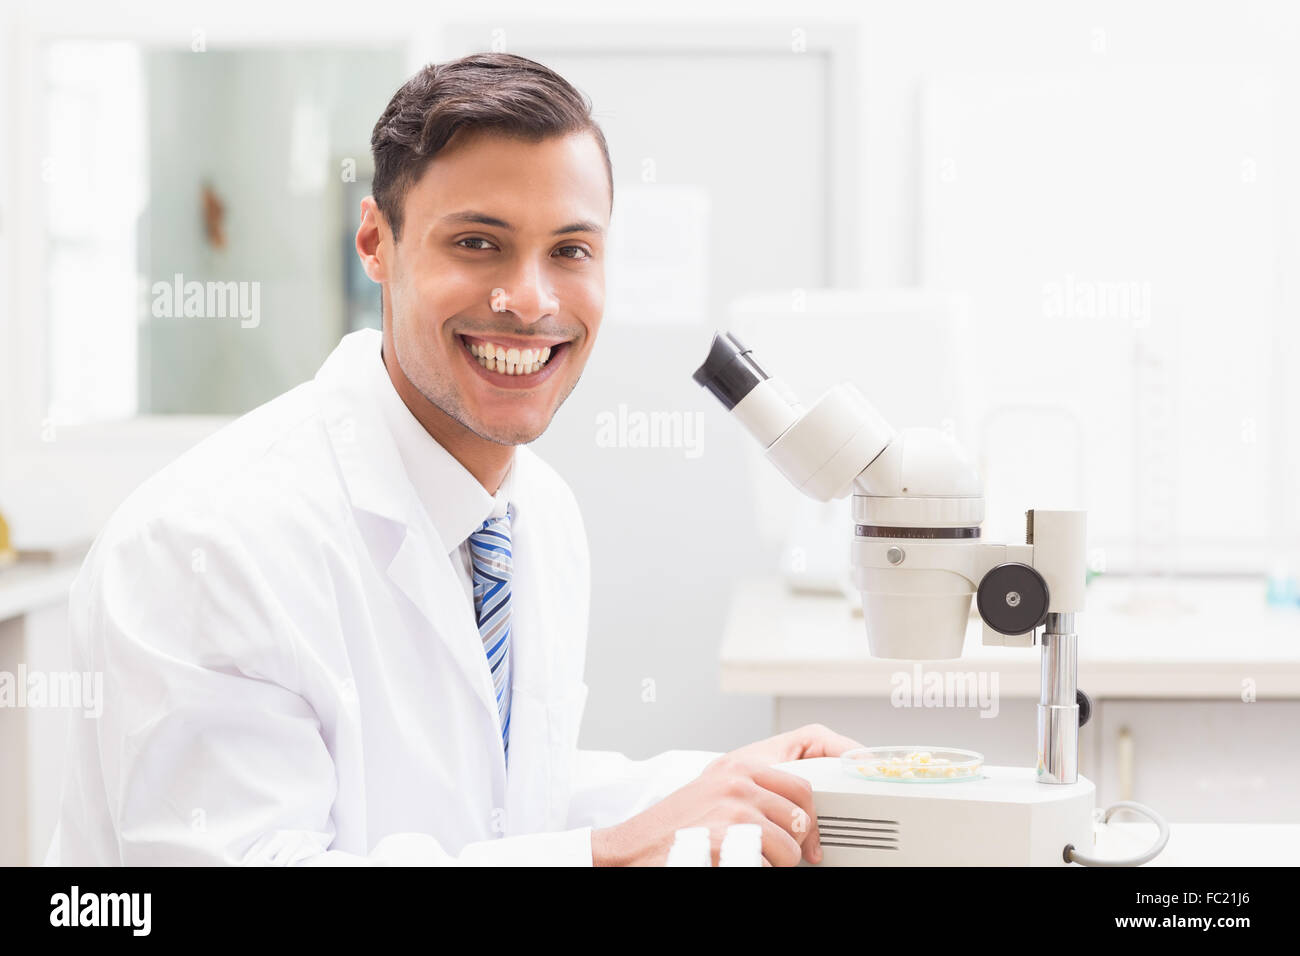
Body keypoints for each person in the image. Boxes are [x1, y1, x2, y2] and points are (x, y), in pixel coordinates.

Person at [46, 52, 861, 867]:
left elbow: (502, 803)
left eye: (571, 251)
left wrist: (723, 789)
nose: (531, 300)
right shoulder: (210, 543)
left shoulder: (535, 513)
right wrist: (610, 852)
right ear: (376, 242)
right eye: (478, 242)